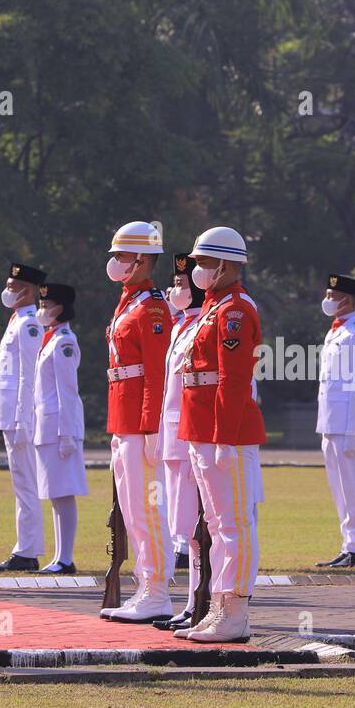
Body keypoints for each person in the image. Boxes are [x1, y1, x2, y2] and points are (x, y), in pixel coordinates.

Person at [174, 225, 266, 642]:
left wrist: (224, 437)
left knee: (234, 524)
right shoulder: (214, 307)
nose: (198, 270)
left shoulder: (234, 310)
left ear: (226, 266)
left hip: (224, 430)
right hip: (202, 426)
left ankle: (235, 611)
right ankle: (218, 607)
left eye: (205, 263)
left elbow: (233, 379)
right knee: (215, 521)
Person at [99, 221, 175, 622]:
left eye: (121, 257)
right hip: (121, 417)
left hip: (138, 421)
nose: (115, 263)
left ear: (141, 260)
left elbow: (155, 372)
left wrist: (150, 426)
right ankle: (145, 586)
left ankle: (157, 589)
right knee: (132, 510)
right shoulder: (130, 302)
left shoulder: (153, 307)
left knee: (146, 509)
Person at [157, 252, 207, 630]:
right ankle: (192, 602)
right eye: (174, 283)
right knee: (186, 527)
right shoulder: (181, 325)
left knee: (201, 528)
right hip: (174, 435)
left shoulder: (203, 323)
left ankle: (200, 601)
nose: (176, 289)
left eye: (182, 283)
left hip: (193, 435)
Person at [0, 261, 48, 572]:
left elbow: (29, 375)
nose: (8, 291)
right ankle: (26, 546)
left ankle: (27, 549)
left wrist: (25, 418)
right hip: (10, 413)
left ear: (28, 291)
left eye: (13, 287)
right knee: (20, 482)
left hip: (19, 414)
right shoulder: (17, 320)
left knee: (25, 482)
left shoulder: (29, 324)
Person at [314, 274, 355, 568]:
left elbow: (354, 386)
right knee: (340, 488)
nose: (327, 300)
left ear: (346, 300)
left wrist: (351, 431)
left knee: (354, 487)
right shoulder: (336, 332)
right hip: (331, 420)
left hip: (349, 424)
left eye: (331, 295)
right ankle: (348, 544)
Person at [32, 282, 87, 574]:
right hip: (47, 425)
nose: (43, 309)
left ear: (61, 308)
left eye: (48, 304)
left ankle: (65, 558)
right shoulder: (50, 338)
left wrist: (66, 433)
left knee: (64, 492)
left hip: (59, 427)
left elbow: (67, 390)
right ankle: (58, 556)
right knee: (54, 493)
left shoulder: (64, 341)